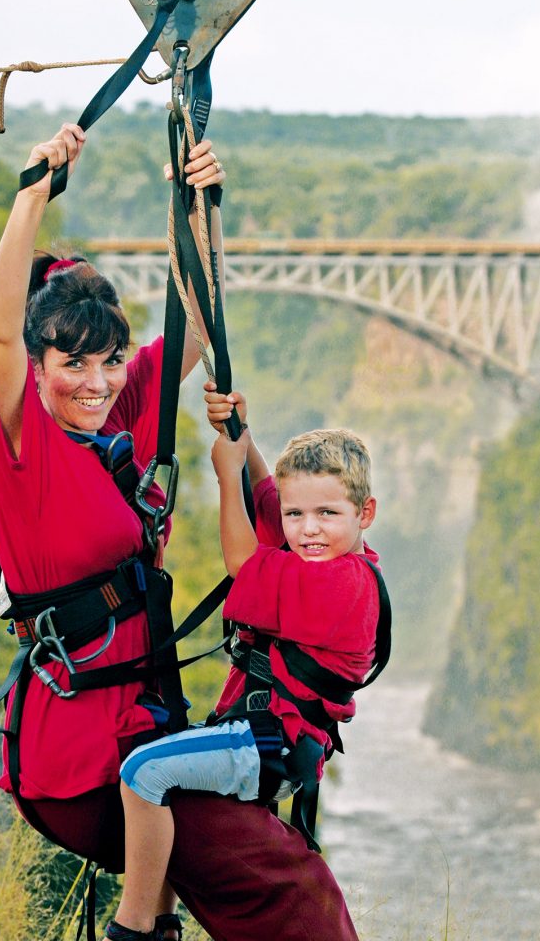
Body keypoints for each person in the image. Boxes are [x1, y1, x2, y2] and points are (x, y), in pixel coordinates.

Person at [0, 122, 362, 941]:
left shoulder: (121, 421)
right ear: (39, 368)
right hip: (83, 757)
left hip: (139, 729)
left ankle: (150, 923)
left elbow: (196, 314)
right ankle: (139, 930)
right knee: (289, 891)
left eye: (108, 360)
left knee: (280, 882)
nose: (94, 381)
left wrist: (201, 206)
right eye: (72, 364)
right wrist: (32, 196)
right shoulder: (23, 450)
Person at [104, 389, 382, 941]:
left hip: (265, 744)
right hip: (276, 739)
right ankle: (160, 918)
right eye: (297, 515)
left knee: (142, 773)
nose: (307, 529)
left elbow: (242, 562)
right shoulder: (331, 559)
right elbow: (270, 498)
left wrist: (225, 476)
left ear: (365, 513)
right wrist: (243, 440)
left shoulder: (335, 584)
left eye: (328, 513)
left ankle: (136, 927)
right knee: (166, 785)